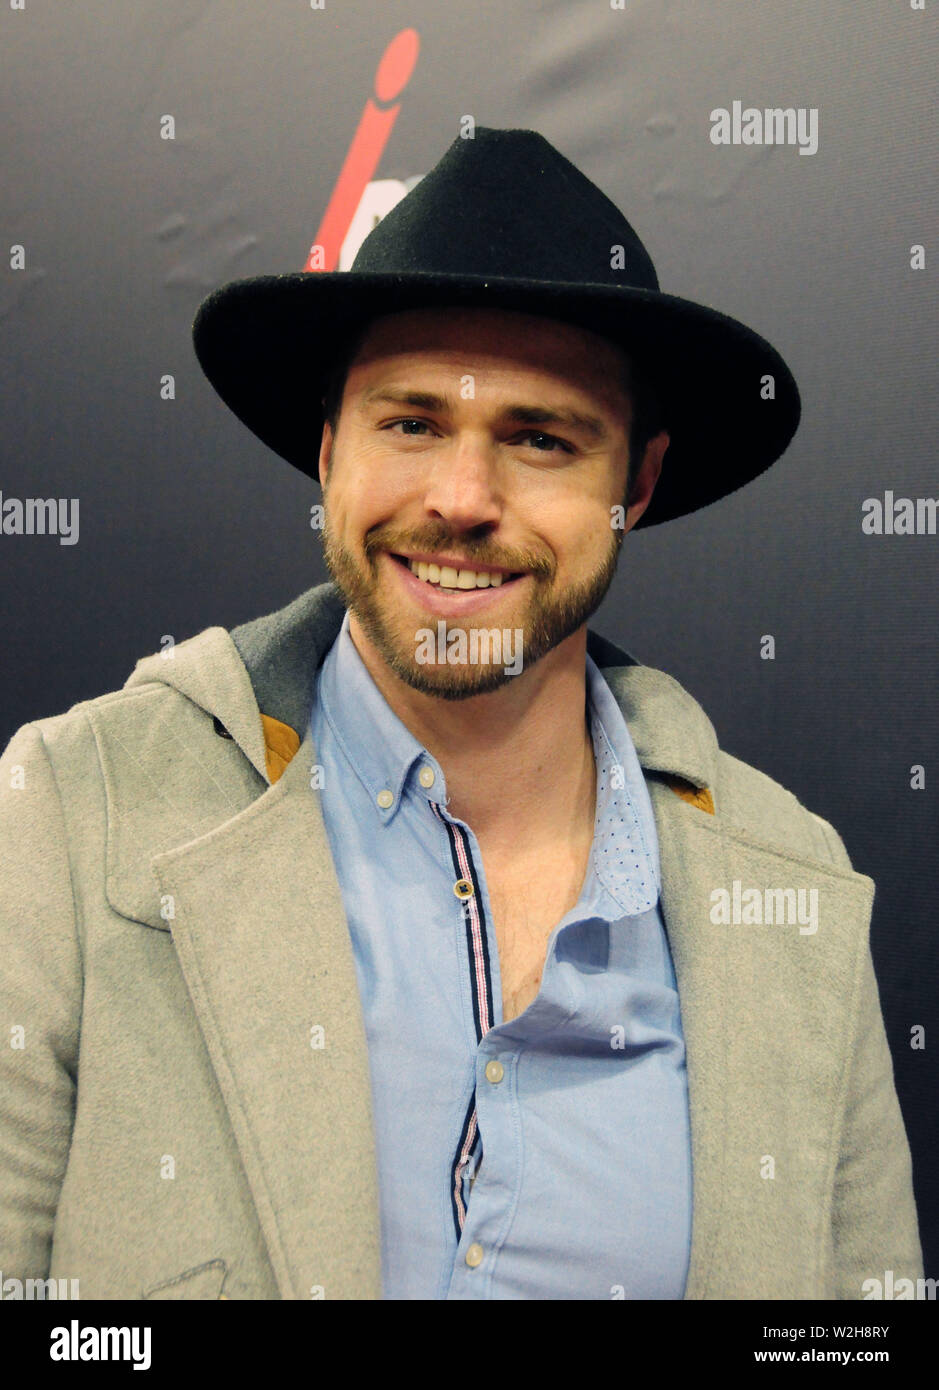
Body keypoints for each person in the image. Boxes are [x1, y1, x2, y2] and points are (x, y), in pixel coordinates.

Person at [0, 127, 921, 1300]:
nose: (462, 499)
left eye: (541, 439)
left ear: (634, 486)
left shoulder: (790, 883)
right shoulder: (75, 814)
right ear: (329, 449)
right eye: (411, 421)